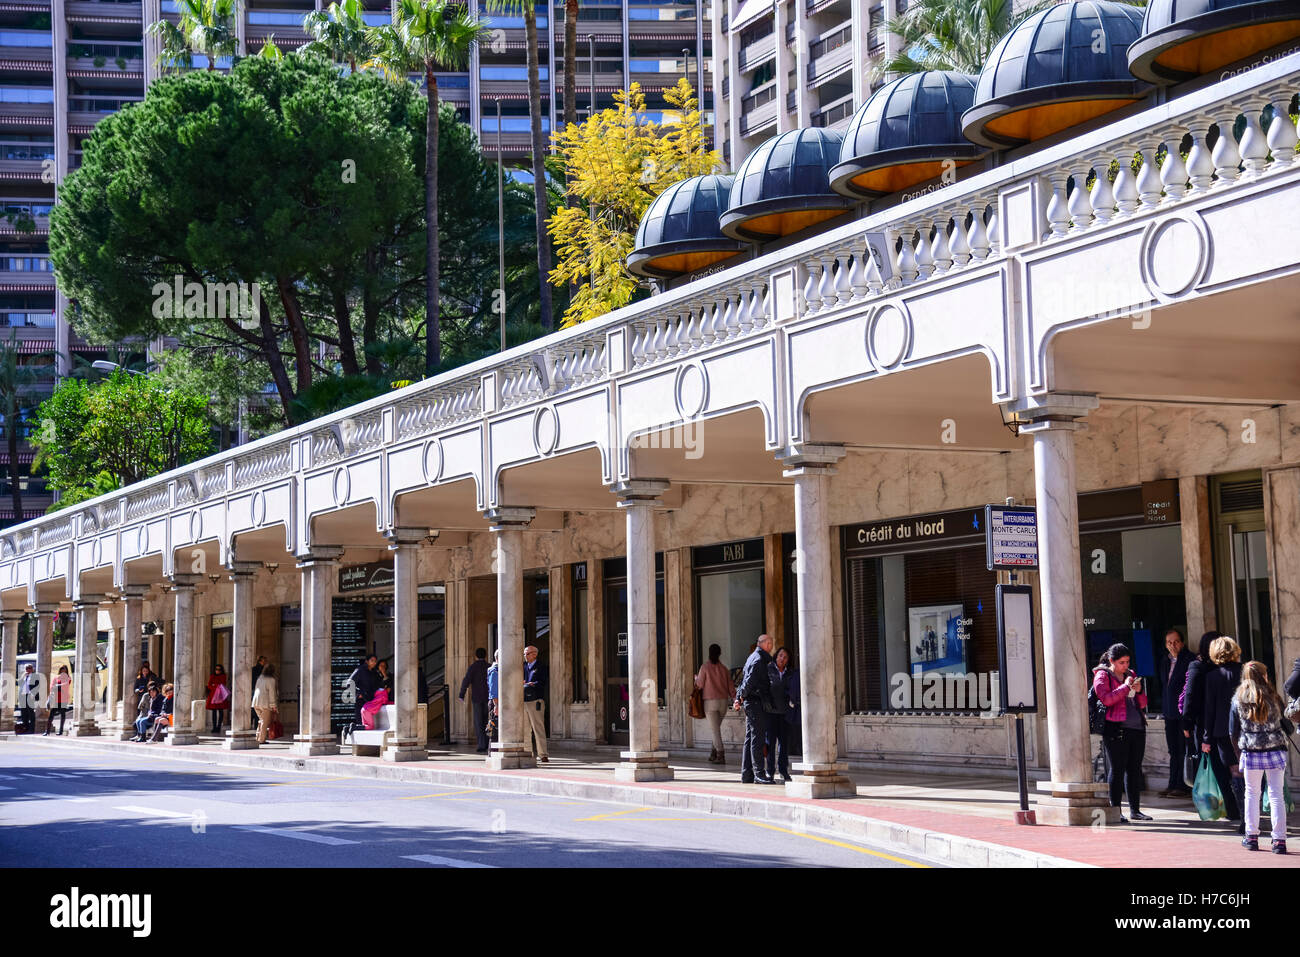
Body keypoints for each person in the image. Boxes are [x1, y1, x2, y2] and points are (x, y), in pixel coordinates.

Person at [1231, 661, 1289, 853]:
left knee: (1252, 794)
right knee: (1276, 795)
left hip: (1251, 750)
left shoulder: (1238, 699)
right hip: (1275, 749)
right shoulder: (1274, 697)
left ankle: (1251, 836)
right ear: (1264, 676)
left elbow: (1232, 731)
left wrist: (1239, 754)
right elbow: (1285, 722)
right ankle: (1279, 840)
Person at [1092, 642, 1151, 822]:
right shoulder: (1102, 676)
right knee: (1117, 769)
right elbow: (1107, 699)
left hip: (1137, 726)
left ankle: (1135, 810)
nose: (1125, 666)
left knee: (1134, 769)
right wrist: (1125, 687)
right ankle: (1115, 810)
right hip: (1115, 728)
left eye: (1127, 662)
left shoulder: (1131, 674)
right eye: (1122, 663)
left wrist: (1139, 691)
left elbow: (1142, 704)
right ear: (1112, 661)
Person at [1199, 636, 1244, 825]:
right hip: (1247, 728)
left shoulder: (1212, 677)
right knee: (1251, 772)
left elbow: (1210, 709)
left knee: (1235, 772)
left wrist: (1206, 738)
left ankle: (1244, 818)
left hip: (1224, 732)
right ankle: (1252, 813)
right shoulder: (1245, 671)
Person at [733, 633, 777, 785]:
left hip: (752, 702)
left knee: (750, 738)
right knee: (757, 738)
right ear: (763, 644)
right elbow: (748, 682)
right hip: (755, 703)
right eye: (769, 643)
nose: (771, 646)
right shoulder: (758, 660)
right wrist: (740, 697)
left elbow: (743, 680)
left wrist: (739, 697)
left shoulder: (752, 657)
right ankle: (759, 773)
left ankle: (747, 774)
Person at [1159, 627, 1195, 797]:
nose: (1172, 645)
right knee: (1173, 750)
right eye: (1169, 642)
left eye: (1175, 642)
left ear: (1182, 643)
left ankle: (1183, 785)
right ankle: (1172, 783)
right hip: (1169, 712)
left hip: (1183, 713)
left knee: (1183, 749)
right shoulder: (1165, 661)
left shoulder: (1190, 660)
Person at [694, 644, 735, 764]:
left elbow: (700, 685)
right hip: (723, 702)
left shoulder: (705, 667)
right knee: (715, 729)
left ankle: (720, 754)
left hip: (710, 702)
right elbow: (731, 687)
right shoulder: (724, 669)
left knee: (714, 730)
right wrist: (735, 699)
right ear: (720, 653)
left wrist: (696, 678)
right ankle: (713, 753)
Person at [766, 647, 799, 782]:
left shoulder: (790, 673)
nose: (782, 659)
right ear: (776, 656)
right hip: (771, 712)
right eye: (780, 655)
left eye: (785, 657)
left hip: (785, 713)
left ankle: (783, 770)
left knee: (784, 744)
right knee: (770, 743)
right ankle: (770, 771)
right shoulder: (768, 670)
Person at [459, 647, 490, 753]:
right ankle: (487, 743)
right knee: (488, 721)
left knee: (479, 722)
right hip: (488, 698)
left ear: (476, 656)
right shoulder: (489, 666)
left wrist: (461, 694)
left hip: (477, 698)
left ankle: (481, 744)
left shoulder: (473, 667)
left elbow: (466, 681)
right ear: (485, 656)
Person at [523, 645, 549, 762]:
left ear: (535, 654)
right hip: (524, 700)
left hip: (535, 700)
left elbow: (543, 682)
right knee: (525, 729)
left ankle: (543, 754)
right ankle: (528, 752)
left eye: (527, 654)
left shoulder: (541, 666)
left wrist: (532, 684)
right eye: (524, 654)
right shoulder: (523, 667)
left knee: (538, 728)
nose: (525, 656)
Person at [346, 654, 380, 738]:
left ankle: (348, 729)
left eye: (375, 661)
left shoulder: (374, 672)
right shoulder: (360, 670)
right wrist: (358, 694)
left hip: (370, 700)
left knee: (367, 724)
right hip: (361, 699)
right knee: (360, 722)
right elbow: (349, 683)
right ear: (367, 661)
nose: (374, 663)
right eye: (372, 660)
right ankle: (348, 730)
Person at [252, 663, 278, 745]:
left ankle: (257, 737)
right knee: (264, 722)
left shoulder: (260, 678)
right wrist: (273, 705)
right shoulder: (271, 680)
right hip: (265, 703)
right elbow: (272, 694)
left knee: (261, 721)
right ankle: (261, 740)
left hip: (256, 702)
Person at [43, 664, 71, 736]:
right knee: (51, 715)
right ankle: (47, 731)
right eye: (62, 669)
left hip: (63, 699)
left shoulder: (68, 678)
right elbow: (52, 686)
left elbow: (66, 684)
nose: (63, 671)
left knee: (62, 715)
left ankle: (61, 730)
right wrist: (55, 687)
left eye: (64, 670)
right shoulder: (56, 678)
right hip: (56, 699)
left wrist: (59, 686)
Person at [205, 663, 230, 735]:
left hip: (220, 696)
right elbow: (209, 685)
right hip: (213, 696)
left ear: (221, 670)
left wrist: (215, 685)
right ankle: (214, 727)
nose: (217, 671)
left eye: (219, 669)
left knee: (221, 711)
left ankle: (219, 727)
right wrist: (216, 686)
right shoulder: (212, 676)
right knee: (214, 712)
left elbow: (222, 684)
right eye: (216, 669)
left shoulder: (223, 676)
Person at [17, 663, 39, 734]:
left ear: (32, 669)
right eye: (26, 668)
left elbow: (37, 686)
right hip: (23, 696)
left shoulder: (35, 676)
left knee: (31, 713)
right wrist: (23, 676)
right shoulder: (24, 677)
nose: (28, 670)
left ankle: (32, 729)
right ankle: (25, 728)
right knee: (24, 713)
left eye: (29, 668)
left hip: (30, 696)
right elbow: (19, 684)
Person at [486, 650, 500, 744]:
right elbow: (494, 690)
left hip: (498, 702)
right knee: (494, 730)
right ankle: (493, 753)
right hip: (496, 702)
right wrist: (497, 705)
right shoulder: (494, 670)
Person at [251, 655, 267, 730]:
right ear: (260, 661)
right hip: (257, 690)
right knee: (257, 708)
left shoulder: (256, 669)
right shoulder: (260, 670)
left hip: (256, 690)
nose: (264, 662)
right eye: (263, 661)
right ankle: (256, 725)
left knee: (255, 708)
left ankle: (255, 724)